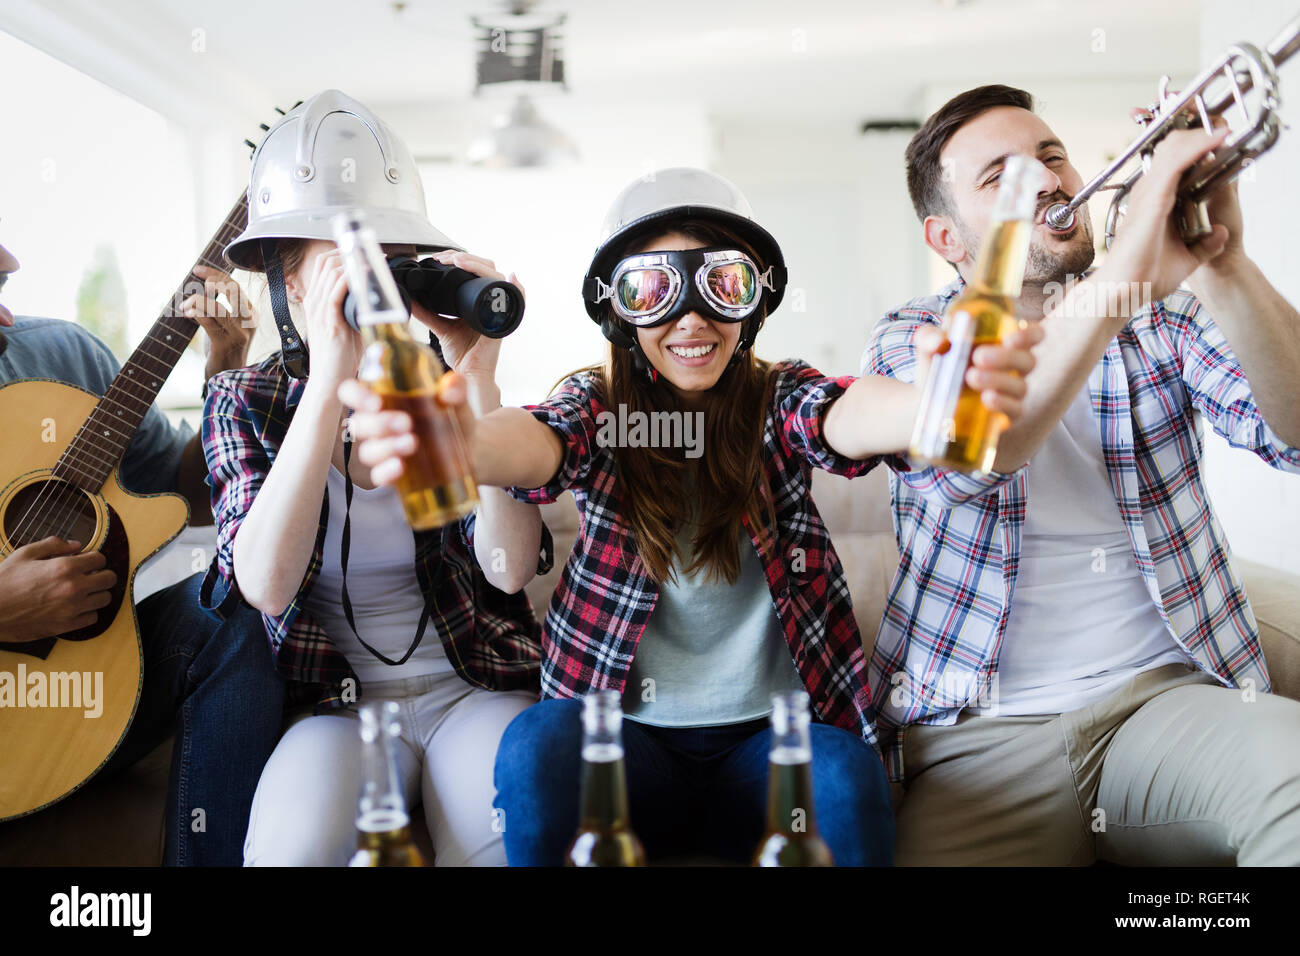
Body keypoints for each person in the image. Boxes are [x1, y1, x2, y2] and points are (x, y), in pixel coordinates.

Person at [341, 167, 1043, 865]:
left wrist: (932, 405)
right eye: (651, 290)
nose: (691, 318)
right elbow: (533, 443)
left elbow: (847, 413)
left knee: (843, 778)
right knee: (535, 746)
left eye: (722, 285)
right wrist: (460, 438)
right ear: (618, 310)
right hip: (622, 745)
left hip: (771, 747)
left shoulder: (778, 398)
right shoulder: (598, 410)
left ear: (755, 301)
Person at [861, 85, 1300, 865]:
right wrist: (1122, 275)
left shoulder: (1163, 316)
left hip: (1167, 701)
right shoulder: (914, 338)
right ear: (949, 238)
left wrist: (1224, 263)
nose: (1049, 179)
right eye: (1002, 176)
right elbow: (979, 455)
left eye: (1051, 156)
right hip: (978, 741)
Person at [202, 90, 551, 867]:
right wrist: (329, 379)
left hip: (472, 688)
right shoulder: (244, 402)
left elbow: (509, 567)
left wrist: (479, 382)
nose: (374, 292)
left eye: (391, 269)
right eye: (344, 270)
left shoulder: (443, 392)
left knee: (515, 846)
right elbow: (263, 584)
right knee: (290, 853)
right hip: (336, 706)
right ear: (292, 290)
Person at [0, 239, 284, 866]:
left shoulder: (62, 357)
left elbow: (197, 490)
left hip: (100, 693)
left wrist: (227, 362)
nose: (10, 265)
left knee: (234, 607)